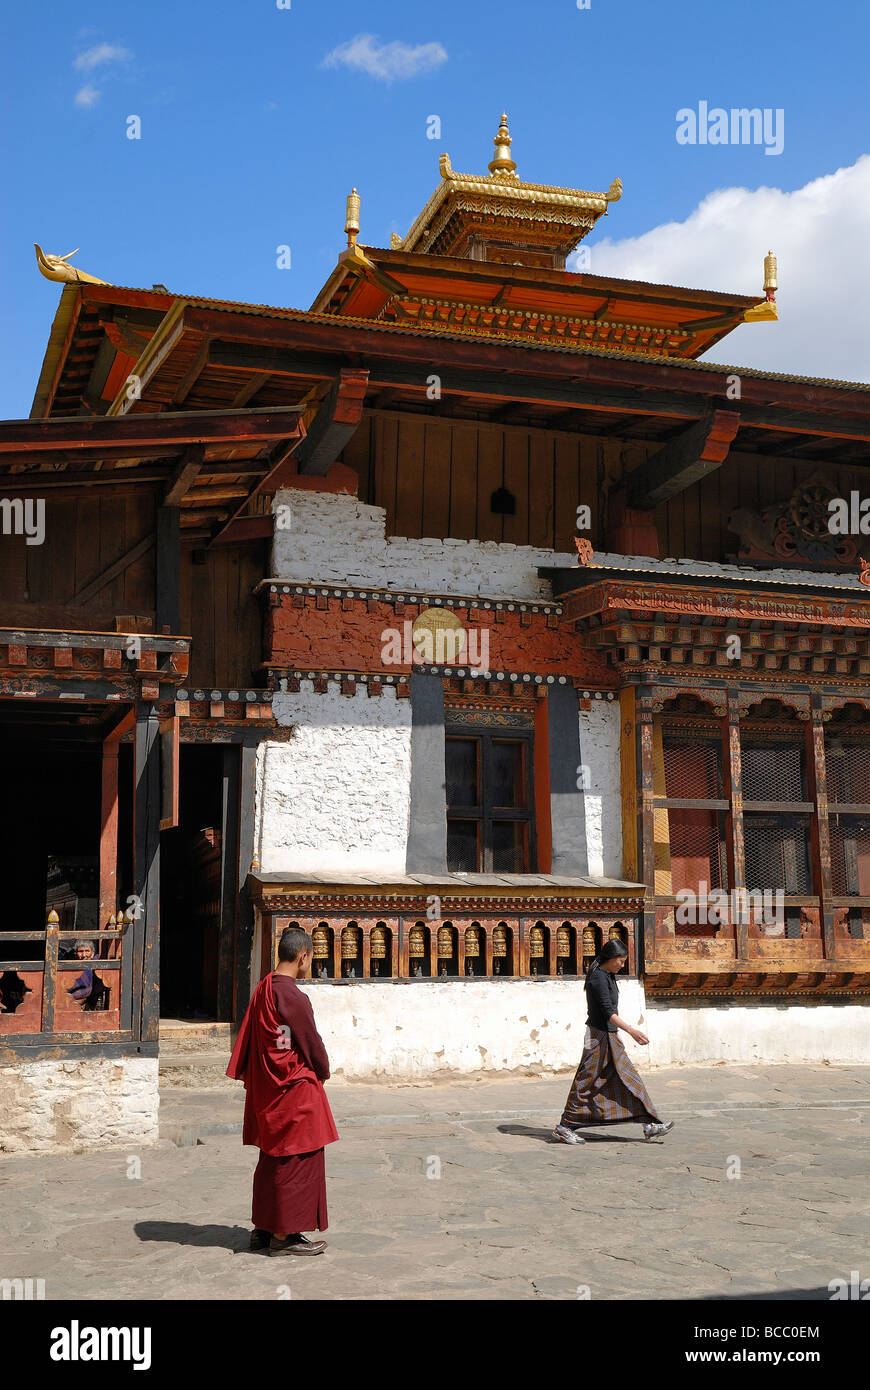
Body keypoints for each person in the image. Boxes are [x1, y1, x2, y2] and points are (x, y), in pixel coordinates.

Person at [227, 926, 339, 1256]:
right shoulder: (292, 995)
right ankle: (284, 1235)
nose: (310, 964)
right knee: (299, 1158)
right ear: (303, 956)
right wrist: (323, 1070)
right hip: (294, 1090)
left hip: (270, 1087)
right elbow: (310, 1042)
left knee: (273, 1159)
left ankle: (263, 1228)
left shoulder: (264, 988)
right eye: (311, 959)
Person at [553, 938, 674, 1144]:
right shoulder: (597, 978)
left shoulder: (608, 976)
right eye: (620, 960)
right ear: (610, 958)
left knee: (629, 1078)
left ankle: (649, 1124)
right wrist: (631, 1031)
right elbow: (608, 1012)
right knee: (587, 1081)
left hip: (608, 1035)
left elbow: (611, 1012)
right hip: (597, 1036)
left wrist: (616, 1034)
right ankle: (565, 1126)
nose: (622, 965)